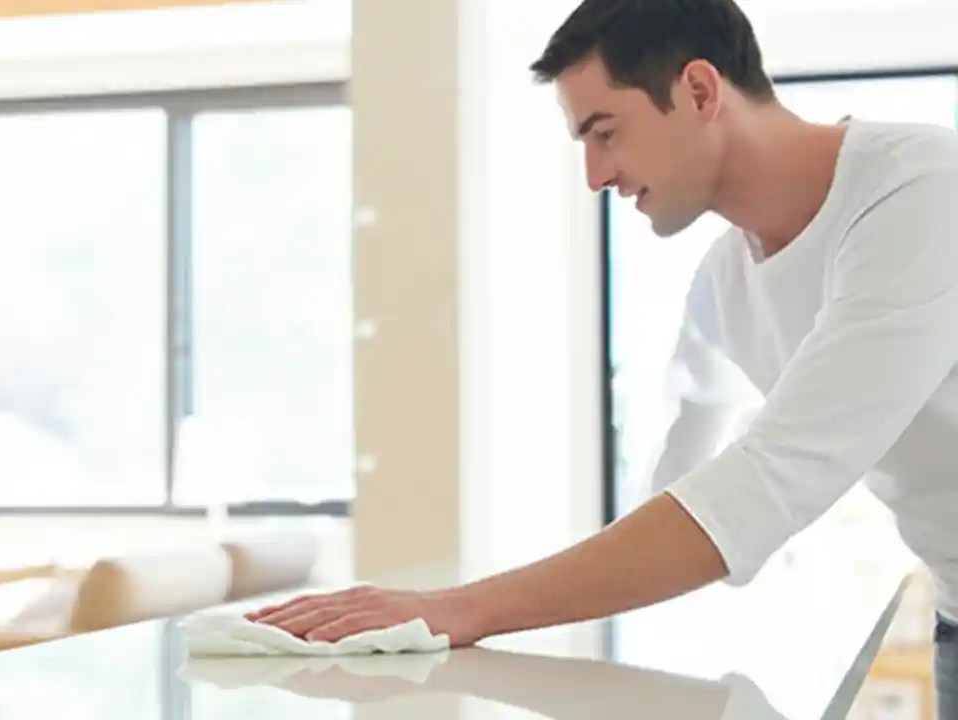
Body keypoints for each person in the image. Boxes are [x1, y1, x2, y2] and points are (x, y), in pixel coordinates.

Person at [246, 0, 958, 714]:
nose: (595, 175)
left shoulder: (922, 189)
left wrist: (461, 609)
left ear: (700, 91)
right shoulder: (725, 286)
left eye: (605, 132)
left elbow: (769, 483)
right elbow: (695, 492)